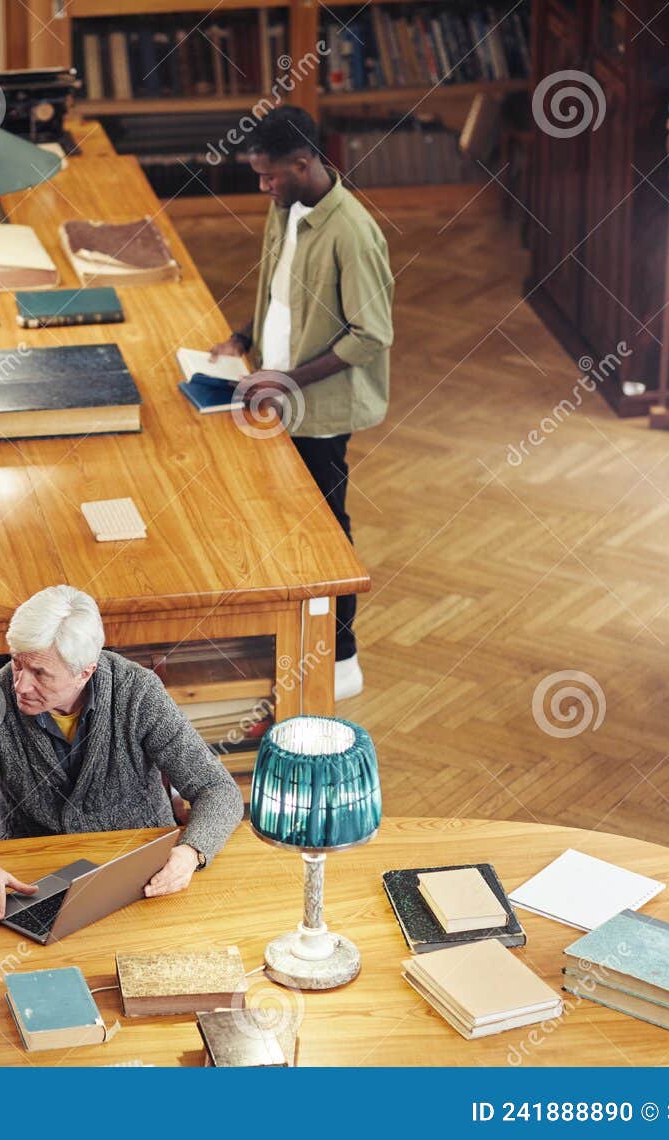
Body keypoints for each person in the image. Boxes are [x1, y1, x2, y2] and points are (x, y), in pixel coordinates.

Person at [0, 585, 245, 928]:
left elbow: (217, 790)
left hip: (137, 870)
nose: (20, 685)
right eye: (17, 664)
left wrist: (190, 852)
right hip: (32, 876)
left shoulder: (137, 692)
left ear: (85, 672)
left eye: (40, 674)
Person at [209, 106, 393, 701]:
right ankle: (281, 640)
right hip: (277, 393)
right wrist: (244, 337)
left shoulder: (354, 233)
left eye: (269, 175)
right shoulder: (285, 207)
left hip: (319, 411)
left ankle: (341, 658)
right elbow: (278, 292)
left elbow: (371, 335)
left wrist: (288, 380)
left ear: (303, 161)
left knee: (327, 533)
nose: (262, 187)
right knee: (279, 520)